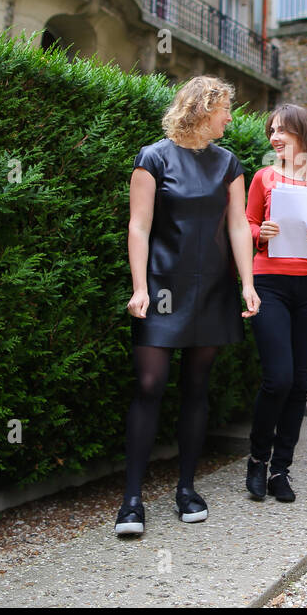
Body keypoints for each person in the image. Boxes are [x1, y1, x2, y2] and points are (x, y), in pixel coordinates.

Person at [119, 76, 260, 537]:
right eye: (224, 108)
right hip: (161, 286)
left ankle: (186, 489)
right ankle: (132, 500)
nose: (229, 117)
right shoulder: (154, 156)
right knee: (149, 383)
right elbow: (139, 226)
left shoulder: (228, 163)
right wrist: (139, 287)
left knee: (197, 387)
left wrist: (247, 283)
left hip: (213, 287)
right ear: (201, 108)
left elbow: (239, 226)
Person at [245, 104, 307, 502]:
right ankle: (257, 460)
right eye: (271, 130)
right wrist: (261, 232)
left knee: (300, 382)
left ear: (303, 134)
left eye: (282, 130)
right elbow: (247, 223)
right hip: (269, 282)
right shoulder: (263, 177)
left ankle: (281, 470)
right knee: (279, 378)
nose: (274, 137)